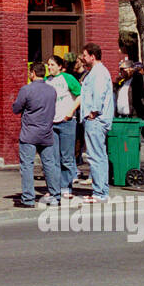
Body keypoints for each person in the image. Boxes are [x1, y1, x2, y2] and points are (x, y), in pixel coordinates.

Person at [12, 62, 62, 208]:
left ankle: (28, 198)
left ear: (32, 73)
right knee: (49, 165)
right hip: (46, 133)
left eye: (29, 72)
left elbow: (17, 108)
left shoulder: (26, 90)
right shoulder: (52, 90)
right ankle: (55, 196)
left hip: (29, 133)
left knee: (27, 165)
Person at [79, 41, 115, 203]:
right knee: (98, 155)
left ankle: (100, 193)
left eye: (85, 55)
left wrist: (93, 112)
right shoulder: (95, 71)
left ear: (92, 57)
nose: (83, 58)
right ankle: (100, 191)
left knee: (96, 156)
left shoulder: (99, 72)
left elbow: (99, 94)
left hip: (96, 120)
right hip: (96, 119)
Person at [45, 55, 80, 199]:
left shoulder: (68, 78)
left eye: (52, 65)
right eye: (48, 65)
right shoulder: (47, 81)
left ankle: (66, 187)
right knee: (53, 158)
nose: (49, 67)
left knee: (66, 157)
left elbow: (80, 94)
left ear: (60, 66)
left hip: (67, 122)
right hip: (52, 123)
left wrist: (70, 112)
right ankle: (54, 188)